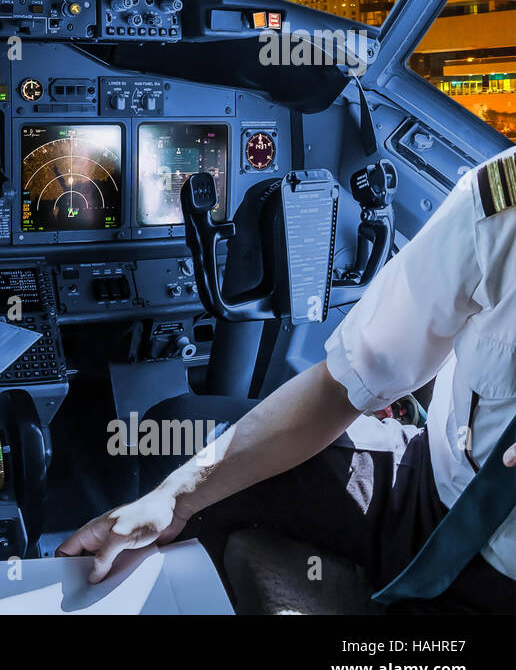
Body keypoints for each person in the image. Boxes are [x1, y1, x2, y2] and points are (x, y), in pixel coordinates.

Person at [59, 147, 516, 614]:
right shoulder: (500, 208)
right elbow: (343, 384)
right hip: (423, 490)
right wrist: (173, 499)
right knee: (180, 432)